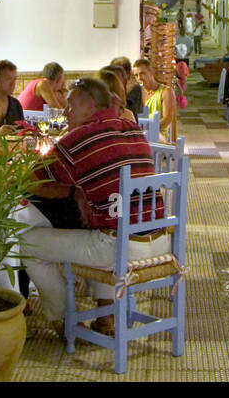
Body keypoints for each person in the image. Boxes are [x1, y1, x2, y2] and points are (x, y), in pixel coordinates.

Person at [19, 78, 165, 335]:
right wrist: (77, 191)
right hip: (159, 240)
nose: (65, 113)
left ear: (92, 105)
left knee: (28, 243)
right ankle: (105, 317)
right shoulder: (132, 128)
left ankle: (65, 320)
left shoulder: (78, 139)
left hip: (120, 247)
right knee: (99, 224)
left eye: (70, 106)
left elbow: (29, 181)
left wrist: (72, 190)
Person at [135, 58, 177, 141]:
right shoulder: (136, 93)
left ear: (151, 72)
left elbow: (167, 120)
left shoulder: (166, 92)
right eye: (136, 75)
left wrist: (148, 129)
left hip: (158, 134)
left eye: (142, 73)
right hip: (140, 133)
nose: (139, 78)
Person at [0, 59, 25, 129]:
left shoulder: (15, 104)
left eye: (14, 79)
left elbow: (21, 131)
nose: (13, 83)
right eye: (8, 79)